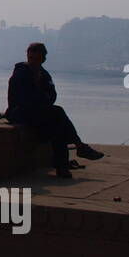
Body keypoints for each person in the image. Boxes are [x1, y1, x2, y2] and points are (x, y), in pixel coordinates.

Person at [6, 42, 104, 179]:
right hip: (19, 113)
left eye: (37, 59)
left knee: (57, 126)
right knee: (58, 113)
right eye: (31, 59)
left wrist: (41, 94)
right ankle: (79, 146)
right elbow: (26, 101)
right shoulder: (21, 74)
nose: (33, 62)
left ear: (43, 59)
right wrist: (38, 89)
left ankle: (63, 167)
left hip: (39, 113)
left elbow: (52, 96)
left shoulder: (44, 75)